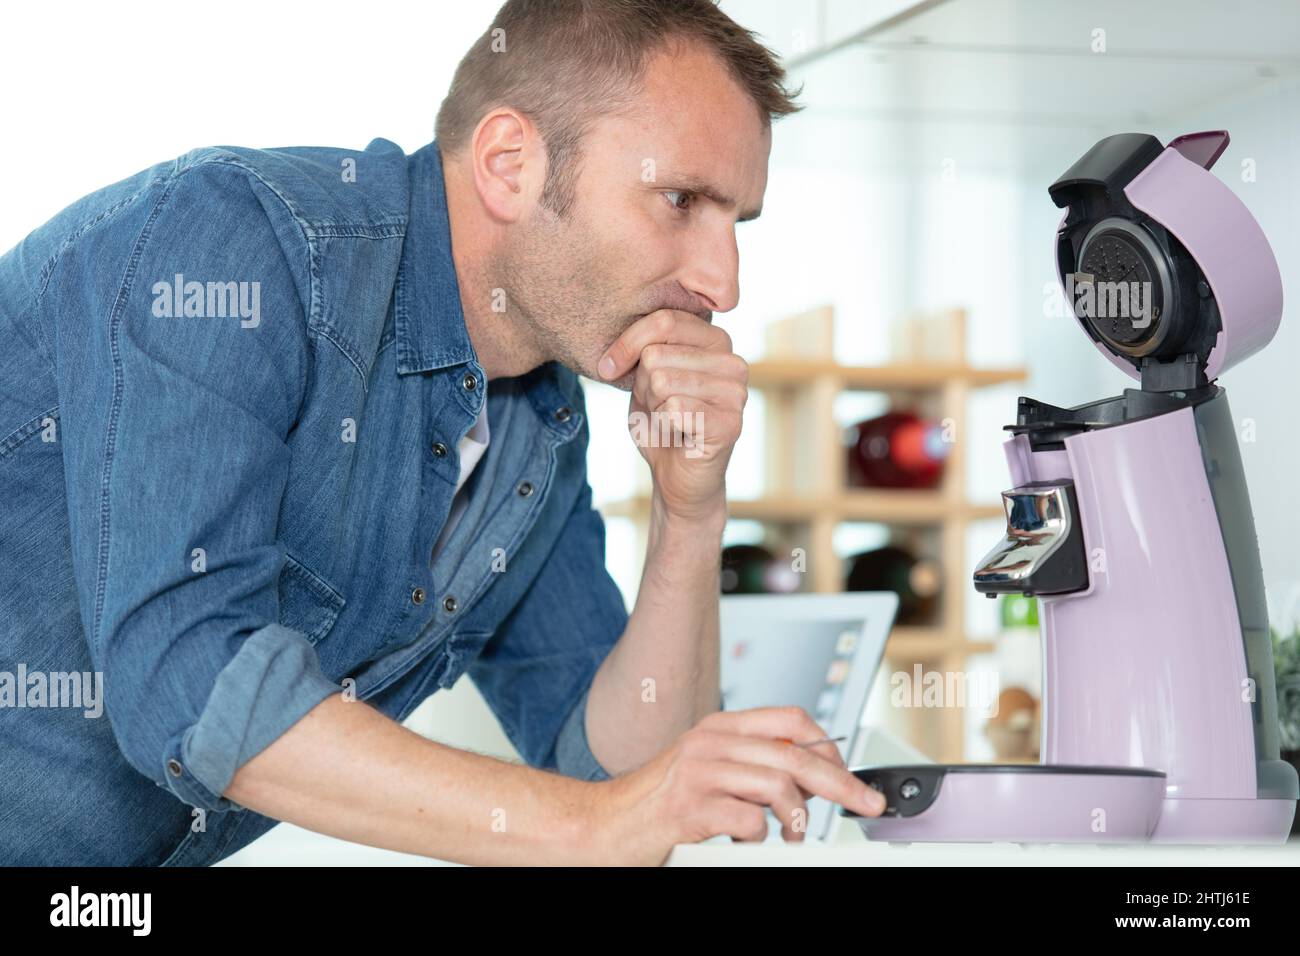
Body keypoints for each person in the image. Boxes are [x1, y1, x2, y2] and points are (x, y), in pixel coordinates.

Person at [0, 0, 885, 866]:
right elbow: (187, 680)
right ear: (509, 164)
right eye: (681, 198)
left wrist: (690, 514)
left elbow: (619, 777)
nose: (722, 285)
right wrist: (593, 825)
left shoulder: (538, 425)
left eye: (738, 223)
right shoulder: (233, 243)